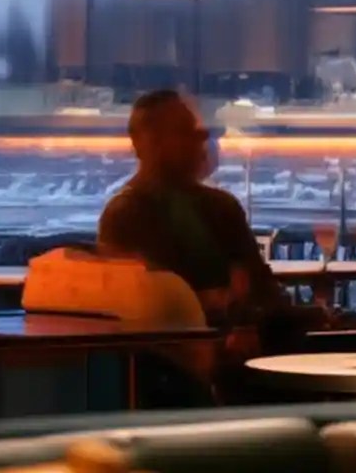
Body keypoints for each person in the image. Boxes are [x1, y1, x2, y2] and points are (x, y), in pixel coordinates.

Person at [98, 90, 316, 401]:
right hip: (176, 368)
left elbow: (261, 284)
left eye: (199, 134)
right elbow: (155, 304)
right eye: (186, 134)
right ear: (148, 143)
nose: (199, 144)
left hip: (242, 350)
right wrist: (229, 307)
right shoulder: (127, 215)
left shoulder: (221, 206)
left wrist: (245, 317)